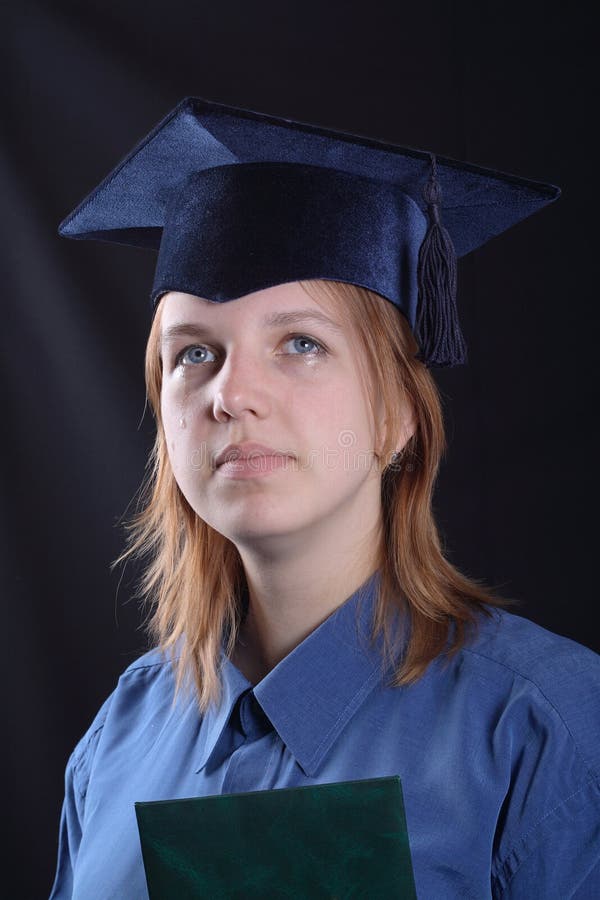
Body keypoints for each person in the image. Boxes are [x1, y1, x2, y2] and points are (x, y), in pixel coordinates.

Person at [50, 97, 600, 899]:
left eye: (300, 344)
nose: (232, 395)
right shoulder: (120, 738)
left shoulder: (540, 728)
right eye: (194, 353)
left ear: (400, 415)